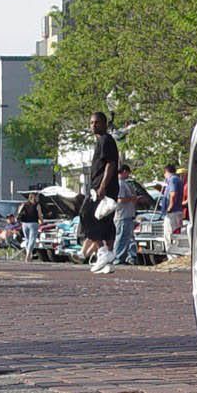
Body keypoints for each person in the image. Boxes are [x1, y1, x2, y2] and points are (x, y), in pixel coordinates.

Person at [79, 111, 119, 267]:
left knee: (86, 215)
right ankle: (107, 260)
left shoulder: (105, 140)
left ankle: (102, 251)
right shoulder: (102, 141)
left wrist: (102, 187)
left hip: (101, 189)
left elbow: (111, 164)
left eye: (96, 122)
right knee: (106, 223)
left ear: (104, 124)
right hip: (103, 188)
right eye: (91, 123)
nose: (93, 126)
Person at [100, 162, 149, 274]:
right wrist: (133, 198)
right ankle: (117, 258)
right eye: (128, 173)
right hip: (122, 215)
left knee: (127, 237)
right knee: (121, 237)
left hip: (127, 215)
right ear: (124, 172)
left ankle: (126, 257)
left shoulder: (124, 183)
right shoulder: (120, 184)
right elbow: (120, 199)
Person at [160, 162, 186, 233]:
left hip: (173, 212)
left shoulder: (172, 179)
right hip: (176, 211)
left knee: (170, 233)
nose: (164, 175)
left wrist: (170, 207)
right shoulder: (177, 179)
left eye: (164, 173)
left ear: (167, 172)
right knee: (175, 232)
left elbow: (173, 193)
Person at [16, 192, 41, 260]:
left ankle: (29, 254)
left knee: (27, 239)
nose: (38, 198)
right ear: (34, 197)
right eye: (37, 197)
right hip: (33, 223)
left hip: (24, 224)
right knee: (32, 240)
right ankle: (28, 254)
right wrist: (41, 221)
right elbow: (39, 215)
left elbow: (19, 213)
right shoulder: (37, 205)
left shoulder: (24, 204)